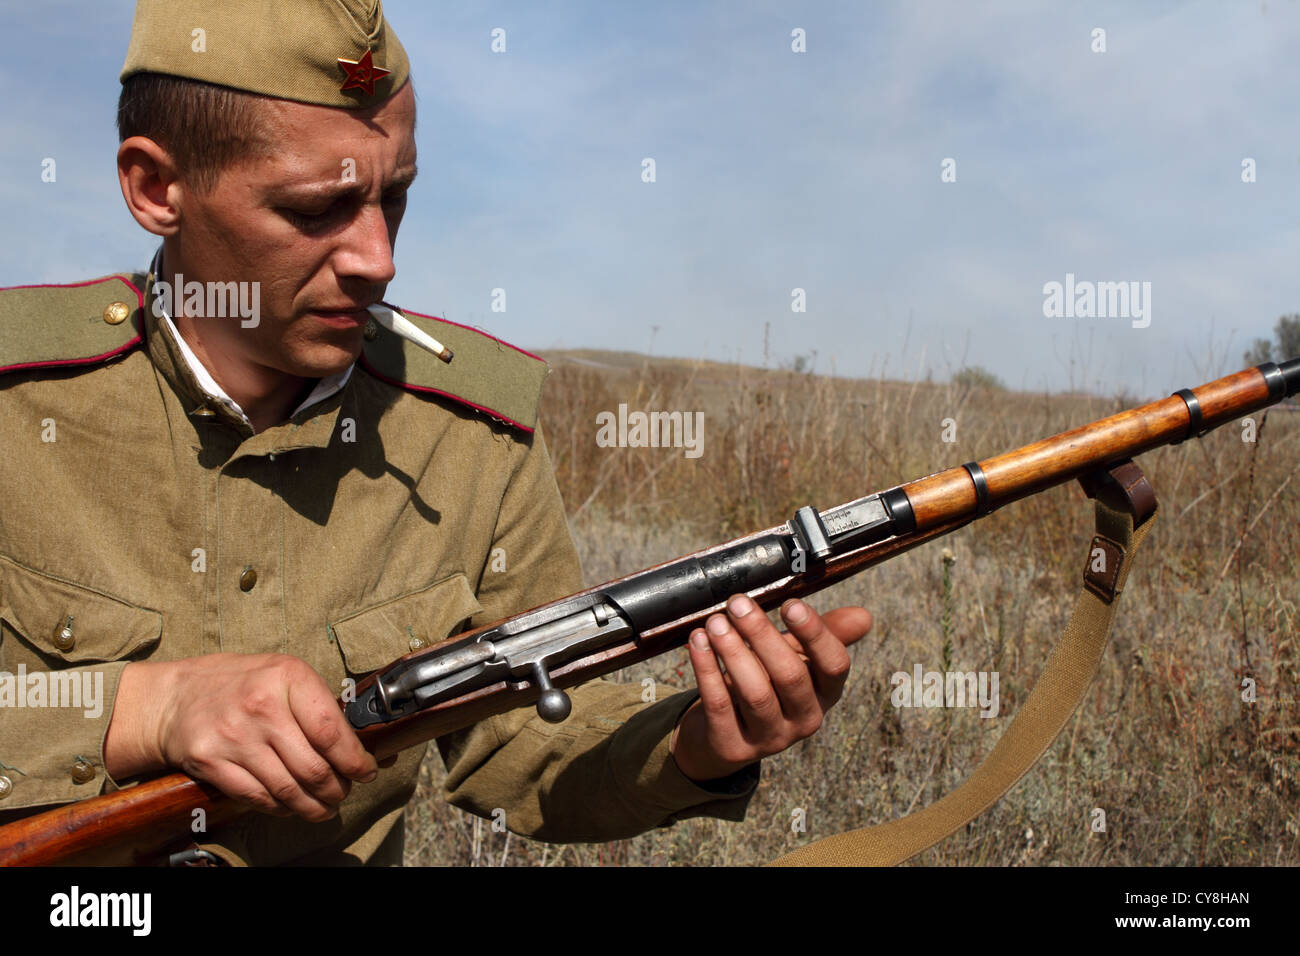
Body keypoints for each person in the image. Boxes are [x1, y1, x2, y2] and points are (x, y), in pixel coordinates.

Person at [0, 0, 872, 865]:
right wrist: (143, 712)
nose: (377, 258)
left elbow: (526, 750)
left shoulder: (472, 436)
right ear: (156, 188)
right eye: (316, 209)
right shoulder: (17, 404)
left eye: (396, 196)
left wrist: (691, 749)